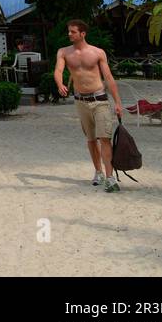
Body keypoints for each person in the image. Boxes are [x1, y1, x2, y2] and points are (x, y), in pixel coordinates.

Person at [54, 18, 124, 192]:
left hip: (99, 100)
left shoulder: (98, 52)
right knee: (91, 140)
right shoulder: (63, 52)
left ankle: (110, 178)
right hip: (81, 101)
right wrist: (60, 84)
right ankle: (98, 172)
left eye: (73, 32)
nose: (69, 34)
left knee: (105, 139)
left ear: (82, 34)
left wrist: (118, 102)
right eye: (69, 31)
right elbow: (58, 70)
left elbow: (108, 78)